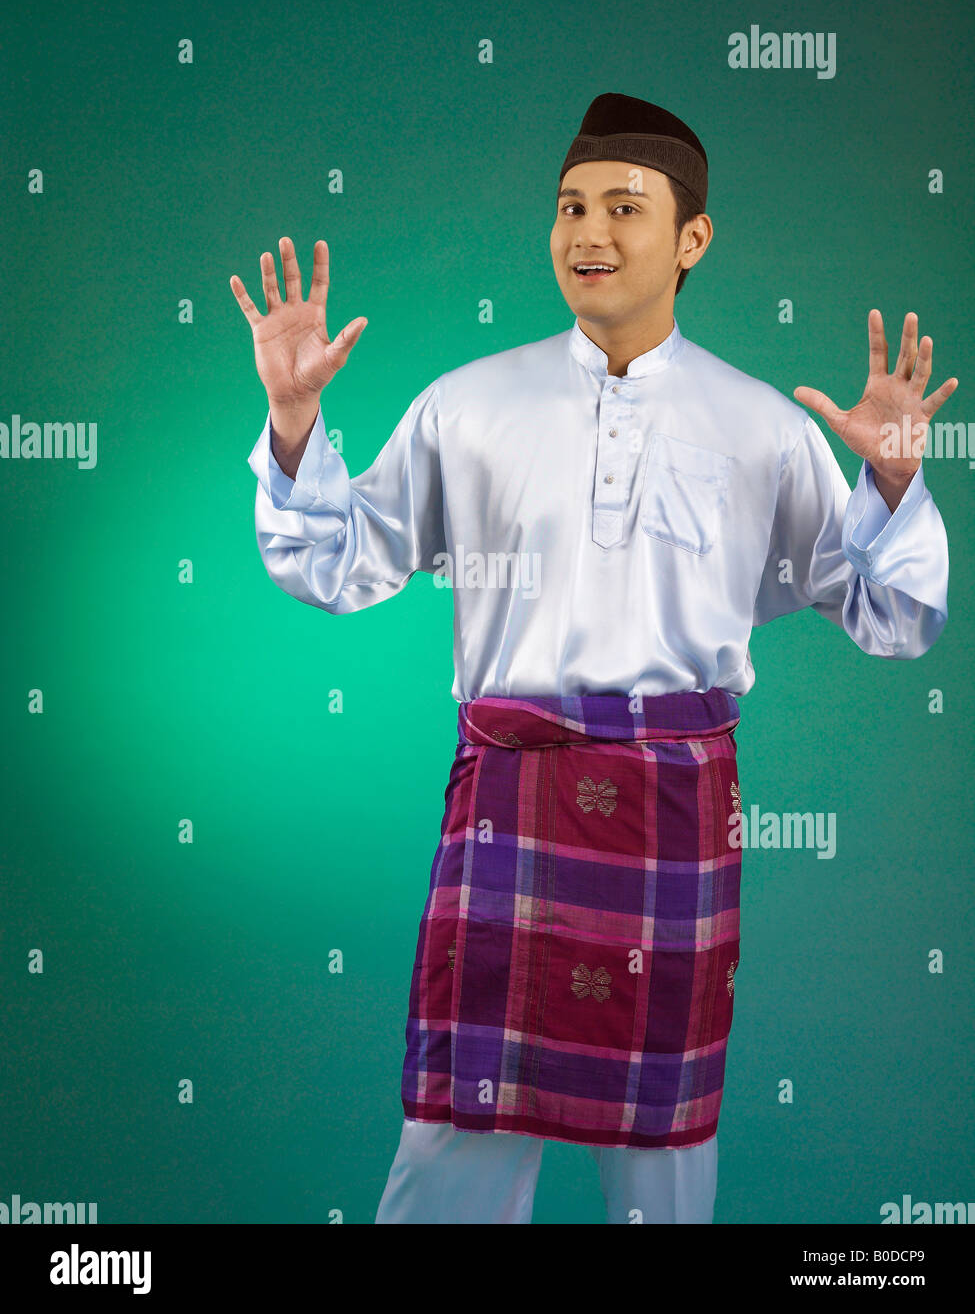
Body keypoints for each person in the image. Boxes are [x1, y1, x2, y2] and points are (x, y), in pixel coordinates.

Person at [230, 93, 955, 1225]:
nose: (590, 232)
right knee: (456, 1144)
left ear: (693, 240)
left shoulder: (761, 424)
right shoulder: (466, 405)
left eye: (626, 206)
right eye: (572, 206)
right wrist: (289, 424)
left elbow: (892, 610)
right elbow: (335, 562)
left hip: (673, 813)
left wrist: (899, 481)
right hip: (510, 797)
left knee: (663, 1163)